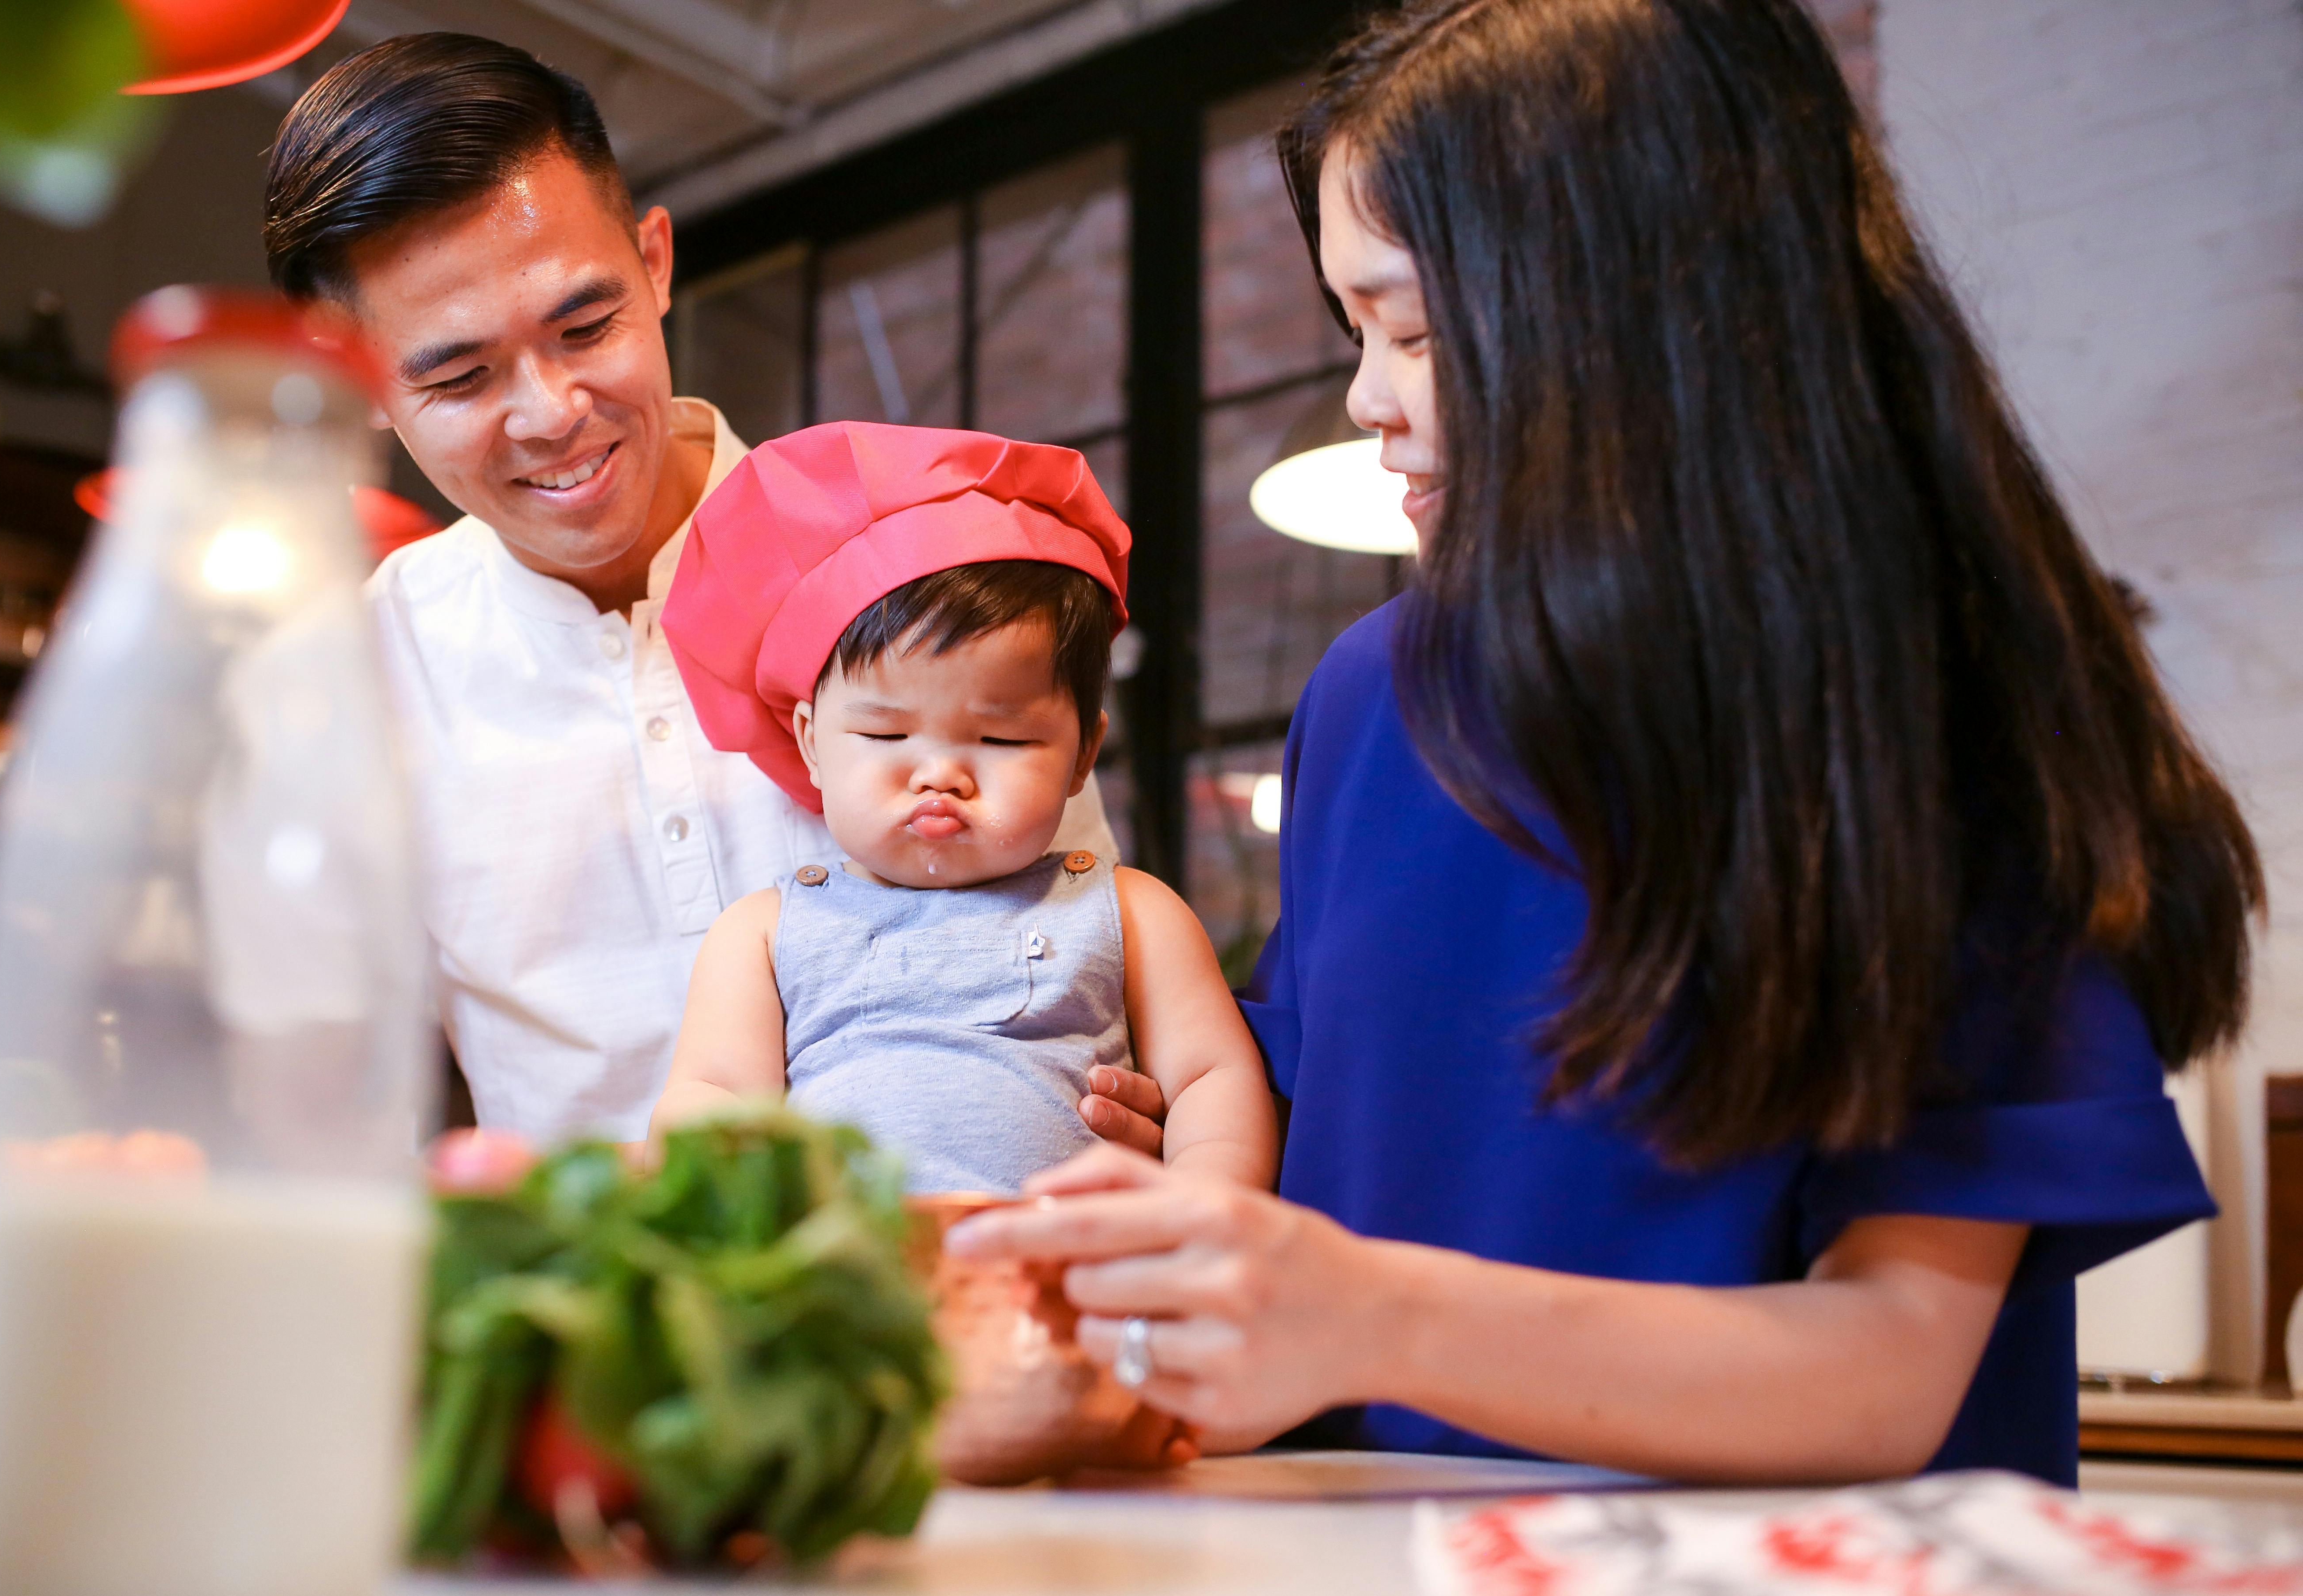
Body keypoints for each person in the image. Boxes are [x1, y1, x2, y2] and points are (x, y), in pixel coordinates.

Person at [948, 0, 2260, 1486]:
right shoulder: (1370, 698)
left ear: (1648, 318)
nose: (1367, 400)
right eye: (1355, 332)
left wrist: (1363, 1314)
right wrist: (1173, 1170)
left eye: (1417, 331)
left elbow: (1887, 1370)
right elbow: (1318, 1152)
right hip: (1366, 1595)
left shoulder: (1925, 715)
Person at [260, 35, 1120, 1142]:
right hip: (593, 1297)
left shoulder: (917, 562)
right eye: (462, 375)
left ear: (656, 264)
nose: (552, 411)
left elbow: (1090, 929)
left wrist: (1135, 1113)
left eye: (586, 326)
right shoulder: (357, 673)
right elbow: (312, 1088)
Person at [650, 422, 1276, 1194]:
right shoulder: (765, 934)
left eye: (1001, 738)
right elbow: (711, 1097)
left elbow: (1212, 1076)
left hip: (1072, 1280)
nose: (940, 775)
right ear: (811, 742)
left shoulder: (1128, 910)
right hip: (850, 1284)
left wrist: (1201, 1204)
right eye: (885, 732)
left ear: (1083, 754)